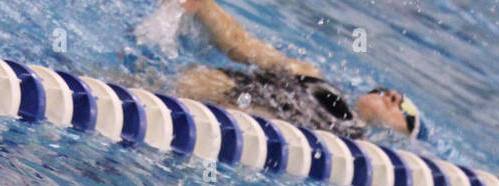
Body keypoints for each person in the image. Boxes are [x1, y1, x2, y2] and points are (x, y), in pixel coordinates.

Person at [166, 0, 422, 139]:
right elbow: (244, 45)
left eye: (405, 109)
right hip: (211, 87)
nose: (392, 96)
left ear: (403, 135)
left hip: (234, 121)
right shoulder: (312, 76)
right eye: (385, 91)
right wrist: (204, 7)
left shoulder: (358, 149)